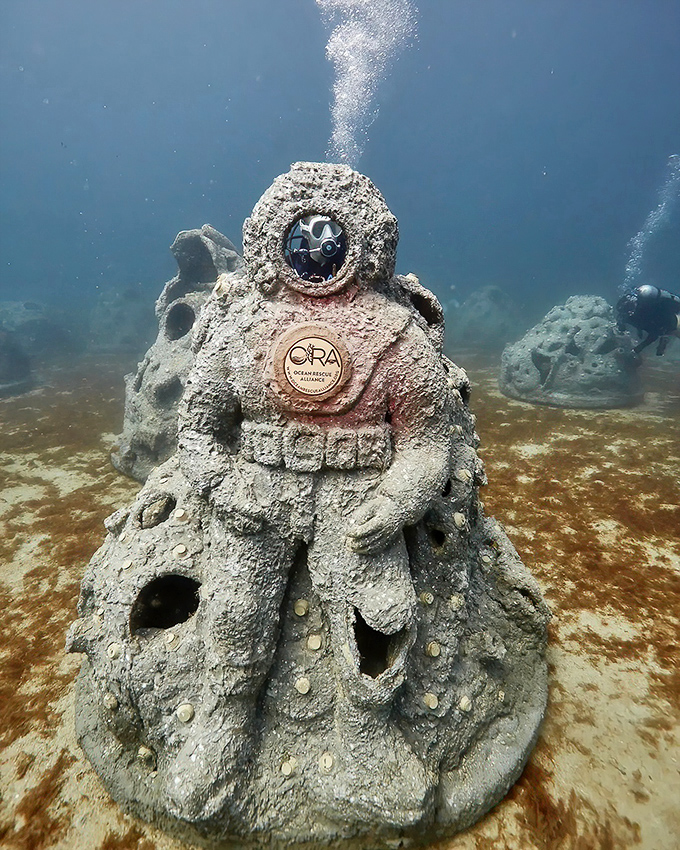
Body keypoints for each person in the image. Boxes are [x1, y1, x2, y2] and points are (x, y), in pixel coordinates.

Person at [616, 284, 680, 355]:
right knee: (668, 329)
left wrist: (639, 348)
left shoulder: (641, 315)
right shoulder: (637, 313)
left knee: (670, 330)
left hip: (668, 323)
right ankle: (665, 338)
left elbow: (654, 335)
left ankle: (665, 338)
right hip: (666, 323)